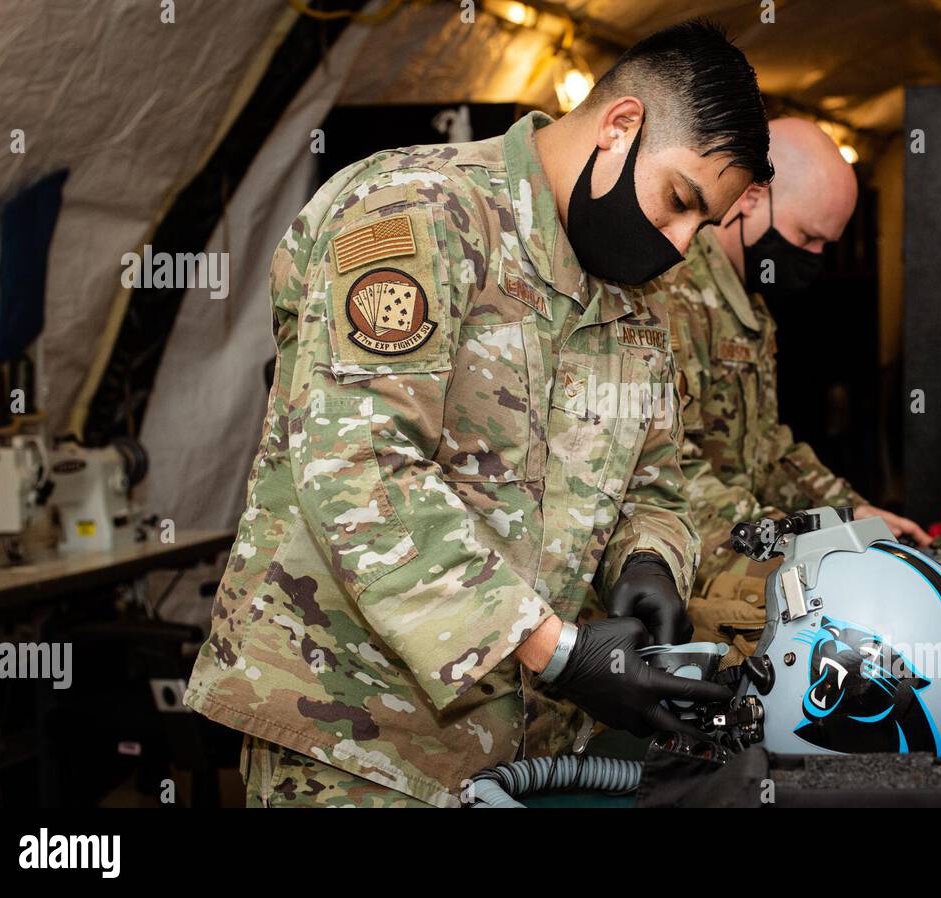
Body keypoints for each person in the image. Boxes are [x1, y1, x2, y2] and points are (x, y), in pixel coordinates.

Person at [185, 20, 772, 807]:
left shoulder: (634, 298)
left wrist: (646, 565)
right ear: (621, 125)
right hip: (361, 744)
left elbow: (655, 483)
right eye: (679, 202)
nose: (679, 243)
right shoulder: (417, 212)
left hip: (531, 748)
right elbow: (362, 472)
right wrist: (557, 651)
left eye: (703, 226)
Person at [661, 118, 928, 644]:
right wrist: (798, 537)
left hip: (737, 532)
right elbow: (668, 471)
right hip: (687, 547)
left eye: (823, 246)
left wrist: (851, 513)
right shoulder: (672, 294)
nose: (811, 259)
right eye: (805, 237)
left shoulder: (750, 305)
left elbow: (767, 447)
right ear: (753, 197)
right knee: (842, 611)